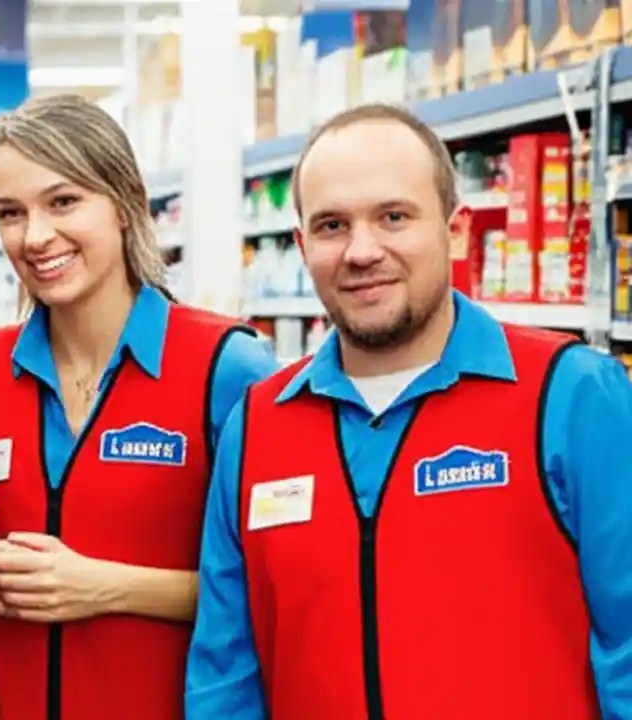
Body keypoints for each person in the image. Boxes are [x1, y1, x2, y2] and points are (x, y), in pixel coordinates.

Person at [185, 103, 632, 719]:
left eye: (393, 217)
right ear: (301, 244)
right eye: (332, 225)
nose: (362, 251)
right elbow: (226, 671)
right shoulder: (259, 424)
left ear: (456, 229)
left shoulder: (572, 394)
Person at [0, 93, 279, 720]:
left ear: (125, 204)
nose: (36, 235)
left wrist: (106, 587)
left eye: (63, 202)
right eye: (10, 212)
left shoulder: (225, 366)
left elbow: (280, 587)